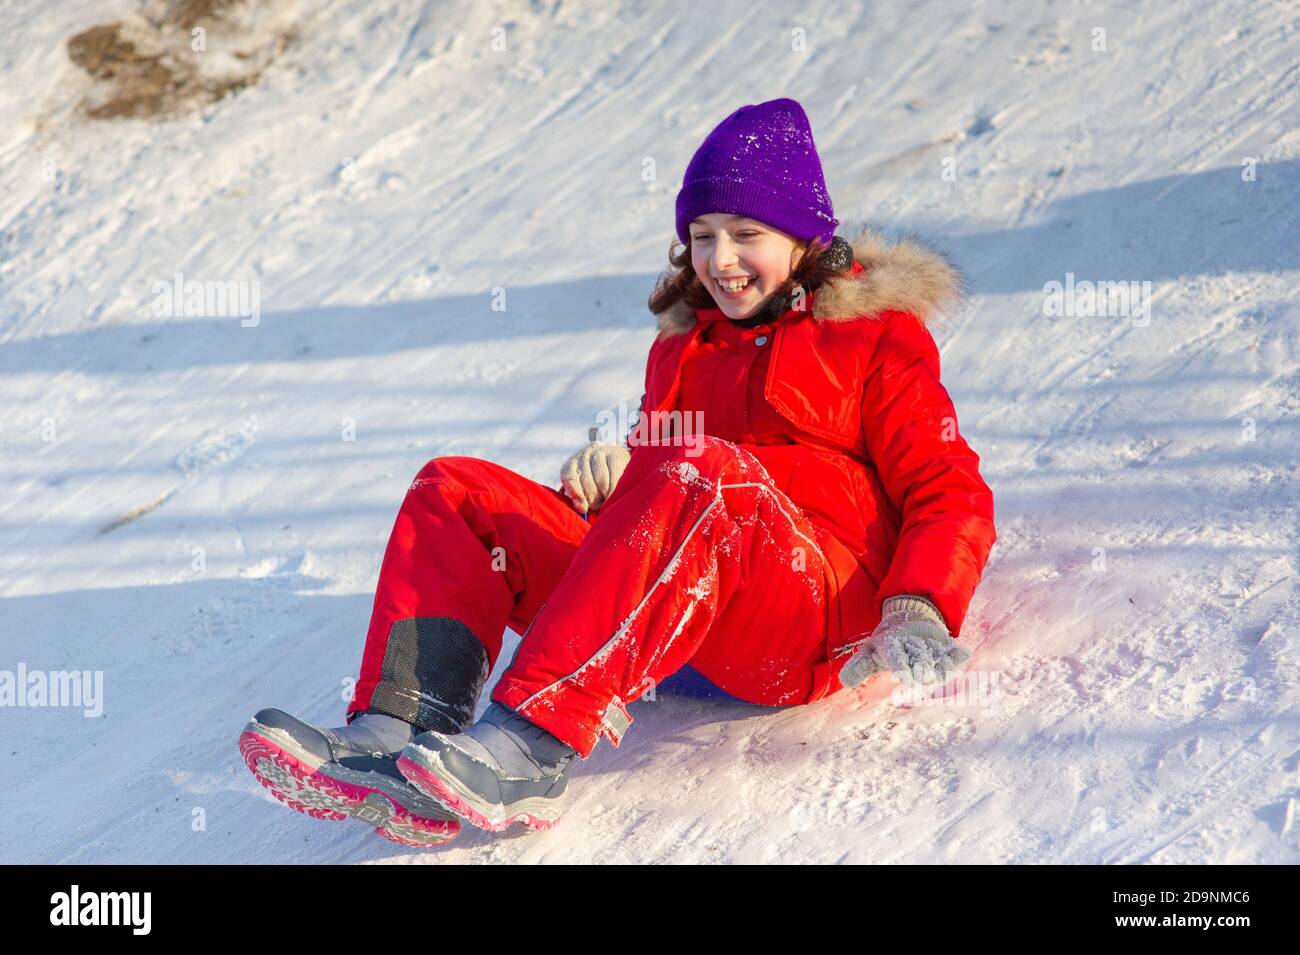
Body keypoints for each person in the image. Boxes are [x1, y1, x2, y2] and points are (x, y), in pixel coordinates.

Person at [239, 97, 996, 845]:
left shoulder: (874, 338)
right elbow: (667, 501)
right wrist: (623, 474)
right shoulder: (683, 348)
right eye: (702, 236)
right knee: (458, 490)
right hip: (681, 624)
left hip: (806, 622)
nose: (721, 260)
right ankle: (398, 729)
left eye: (746, 234)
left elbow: (947, 484)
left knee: (705, 471)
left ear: (803, 238)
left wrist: (918, 604)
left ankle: (526, 746)